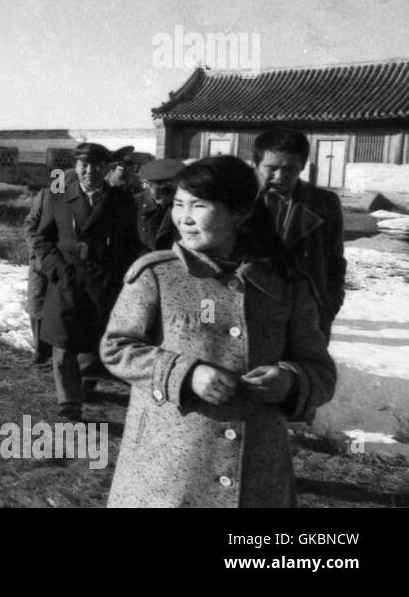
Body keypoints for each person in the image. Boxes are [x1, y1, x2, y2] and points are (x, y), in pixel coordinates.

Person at [101, 156, 336, 507]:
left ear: (240, 213)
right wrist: (185, 373)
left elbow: (321, 371)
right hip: (168, 464)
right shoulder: (157, 275)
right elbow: (117, 348)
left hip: (257, 468)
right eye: (179, 205)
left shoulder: (286, 283)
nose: (185, 218)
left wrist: (290, 380)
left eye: (199, 206)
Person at [32, 143, 143, 421]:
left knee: (95, 338)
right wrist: (57, 270)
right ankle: (68, 401)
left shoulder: (121, 200)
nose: (89, 171)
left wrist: (126, 273)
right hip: (67, 278)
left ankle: (86, 384)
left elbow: (131, 242)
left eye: (96, 166)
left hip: (104, 280)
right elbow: (42, 238)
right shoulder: (58, 196)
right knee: (64, 340)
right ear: (75, 167)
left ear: (106, 168)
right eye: (84, 165)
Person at [252, 128, 346, 337]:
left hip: (307, 316)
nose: (280, 176)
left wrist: (329, 305)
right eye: (272, 167)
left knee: (303, 369)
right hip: (247, 314)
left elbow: (335, 261)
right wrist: (208, 319)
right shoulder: (235, 201)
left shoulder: (325, 203)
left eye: (290, 169)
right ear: (256, 164)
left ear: (303, 166)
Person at [23, 169, 76, 365]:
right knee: (37, 304)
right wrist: (35, 252)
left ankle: (61, 352)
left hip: (66, 262)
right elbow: (30, 226)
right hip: (41, 260)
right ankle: (41, 352)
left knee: (63, 305)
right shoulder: (46, 196)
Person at [135, 158, 182, 252]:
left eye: (170, 190)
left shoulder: (181, 206)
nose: (166, 197)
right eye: (160, 189)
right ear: (148, 185)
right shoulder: (134, 204)